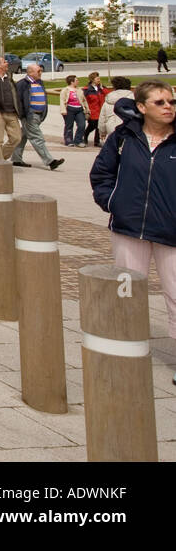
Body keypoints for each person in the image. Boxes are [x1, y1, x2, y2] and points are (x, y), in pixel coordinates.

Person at [89, 80, 176, 386]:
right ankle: (126, 351)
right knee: (126, 293)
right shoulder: (124, 136)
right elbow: (102, 172)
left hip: (171, 233)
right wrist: (113, 202)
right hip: (129, 228)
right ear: (141, 107)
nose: (168, 107)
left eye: (171, 101)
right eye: (160, 102)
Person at [12, 63, 64, 170]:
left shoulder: (39, 83)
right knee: (37, 138)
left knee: (23, 136)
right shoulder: (22, 84)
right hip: (30, 116)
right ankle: (50, 161)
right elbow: (17, 101)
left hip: (39, 115)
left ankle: (16, 159)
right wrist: (23, 114)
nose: (41, 73)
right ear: (30, 72)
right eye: (38, 71)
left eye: (41, 71)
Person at [99, 76, 135, 140]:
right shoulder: (133, 99)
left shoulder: (108, 100)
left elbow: (102, 119)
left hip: (111, 128)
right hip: (129, 128)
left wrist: (102, 132)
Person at [59, 74, 88, 147]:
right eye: (76, 80)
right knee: (69, 125)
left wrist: (87, 109)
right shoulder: (65, 90)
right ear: (72, 82)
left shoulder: (79, 90)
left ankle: (78, 140)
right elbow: (62, 101)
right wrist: (63, 110)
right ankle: (68, 140)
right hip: (69, 109)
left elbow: (84, 100)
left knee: (82, 125)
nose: (78, 81)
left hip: (79, 109)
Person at [84, 71, 108, 147]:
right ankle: (85, 135)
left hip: (100, 111)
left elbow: (108, 95)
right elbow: (83, 99)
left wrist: (102, 89)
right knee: (92, 126)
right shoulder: (87, 89)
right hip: (92, 111)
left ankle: (96, 141)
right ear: (92, 80)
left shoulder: (102, 88)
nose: (99, 80)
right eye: (97, 78)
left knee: (99, 126)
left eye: (99, 78)